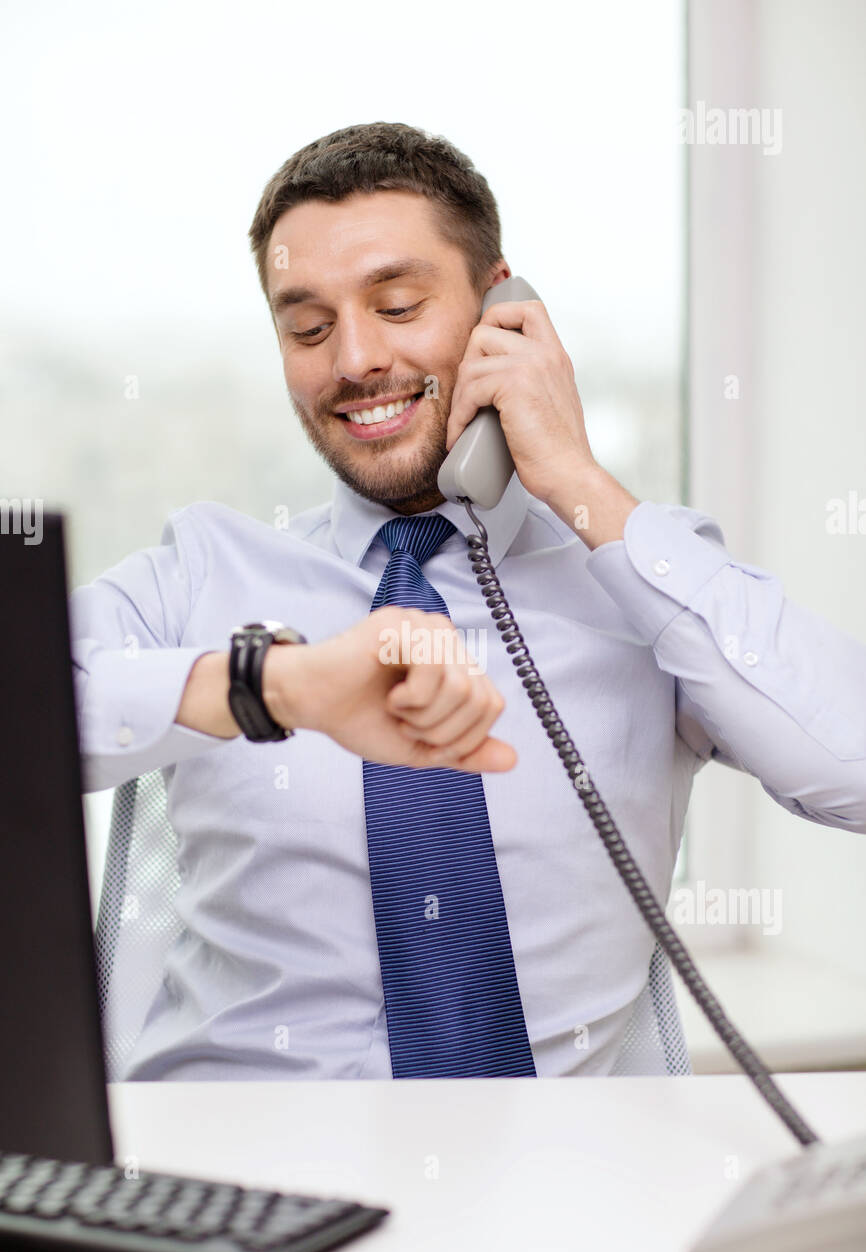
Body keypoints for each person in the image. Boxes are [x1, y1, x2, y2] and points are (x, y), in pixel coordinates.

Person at [71, 121, 866, 1083]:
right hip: (242, 1183)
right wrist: (276, 688)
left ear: (503, 309)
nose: (356, 359)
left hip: (547, 1197)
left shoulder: (642, 581)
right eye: (309, 327)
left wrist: (576, 478)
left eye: (399, 305)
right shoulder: (203, 571)